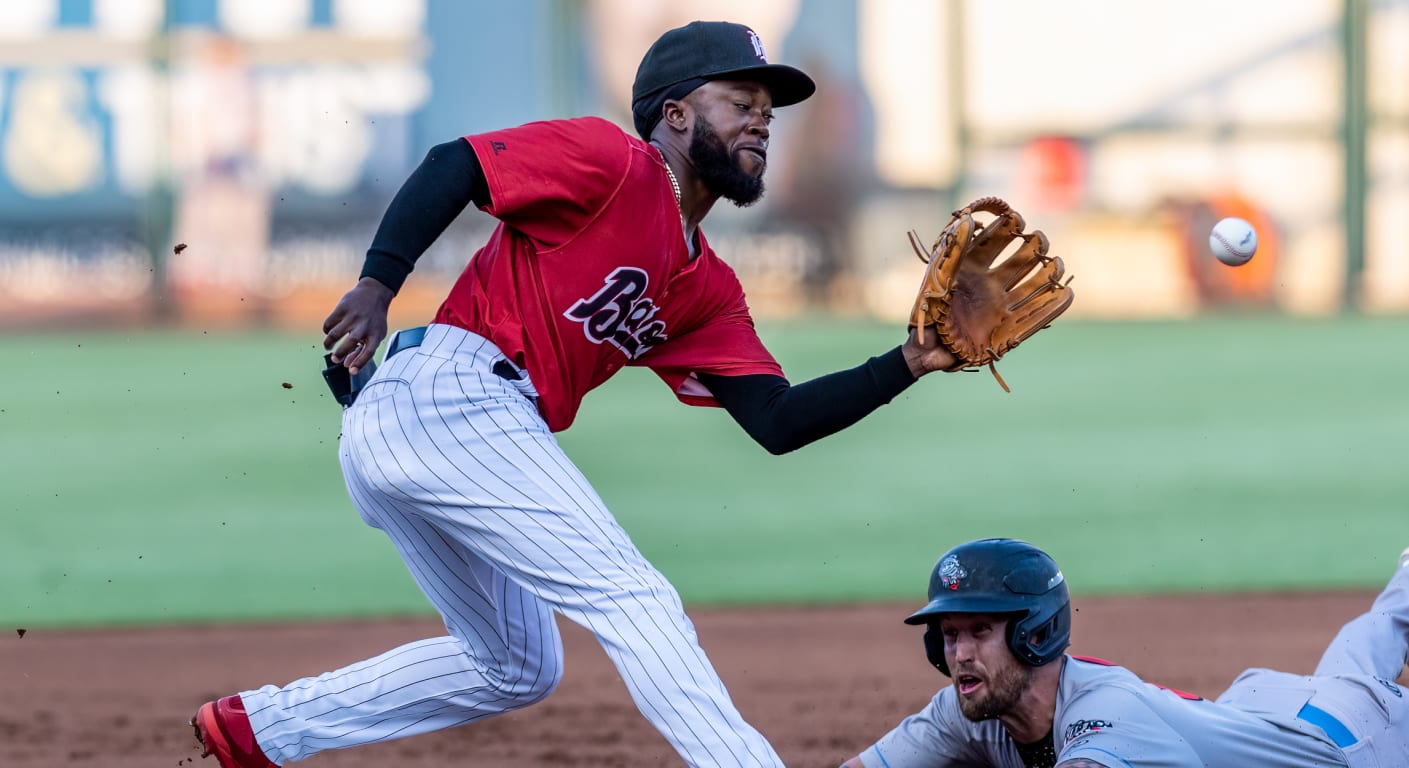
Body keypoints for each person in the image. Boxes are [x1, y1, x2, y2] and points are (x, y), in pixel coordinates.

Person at [188, 20, 958, 768]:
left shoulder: (709, 288)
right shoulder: (615, 162)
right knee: (634, 597)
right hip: (450, 396)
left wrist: (910, 361)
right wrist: (377, 283)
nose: (761, 120)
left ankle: (262, 729)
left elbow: (777, 419)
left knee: (516, 666)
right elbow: (456, 163)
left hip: (438, 421)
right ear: (675, 114)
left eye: (767, 110)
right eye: (739, 101)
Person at [843, 537, 1409, 768]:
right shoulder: (966, 710)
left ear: (1035, 633)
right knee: (1345, 679)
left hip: (1355, 749)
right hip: (1259, 712)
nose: (960, 653)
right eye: (949, 635)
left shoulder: (1105, 719)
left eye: (979, 631)